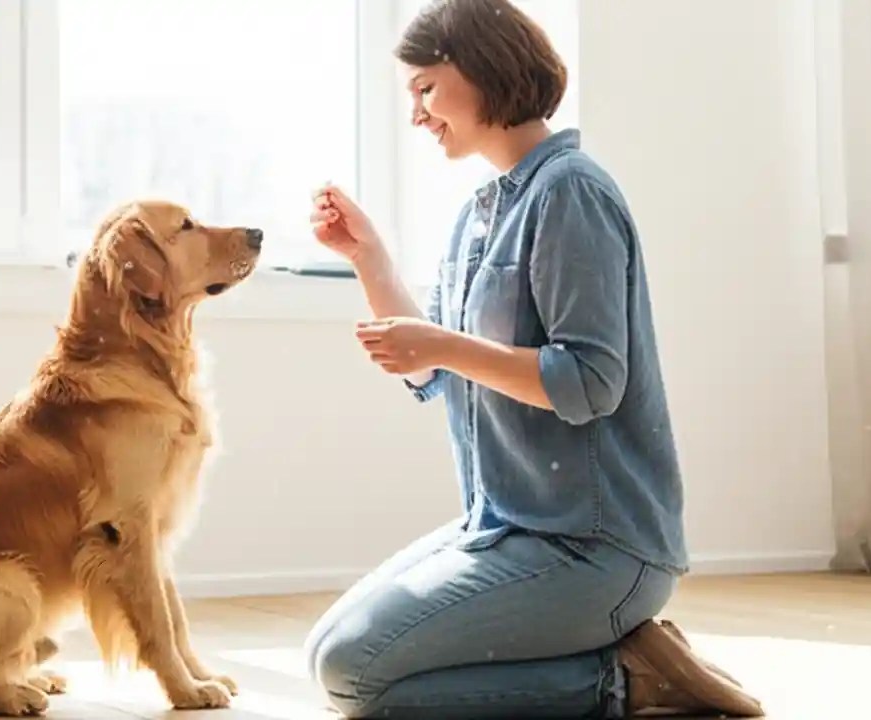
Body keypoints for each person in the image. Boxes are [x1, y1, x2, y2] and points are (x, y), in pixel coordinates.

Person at [302, 1, 765, 718]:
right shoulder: (481, 212)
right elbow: (434, 371)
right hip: (505, 526)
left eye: (426, 88)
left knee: (354, 674)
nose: (417, 115)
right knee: (327, 654)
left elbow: (588, 382)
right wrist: (368, 258)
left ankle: (625, 681)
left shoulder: (570, 191)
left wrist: (443, 346)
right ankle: (614, 659)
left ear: (484, 67)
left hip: (596, 547)